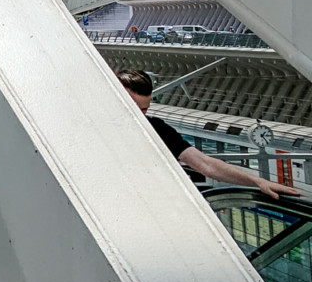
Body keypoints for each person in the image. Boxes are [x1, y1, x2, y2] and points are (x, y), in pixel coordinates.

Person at [117, 70, 301, 200]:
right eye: (133, 108)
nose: (139, 116)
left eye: (144, 109)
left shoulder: (157, 129)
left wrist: (258, 181)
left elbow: (206, 164)